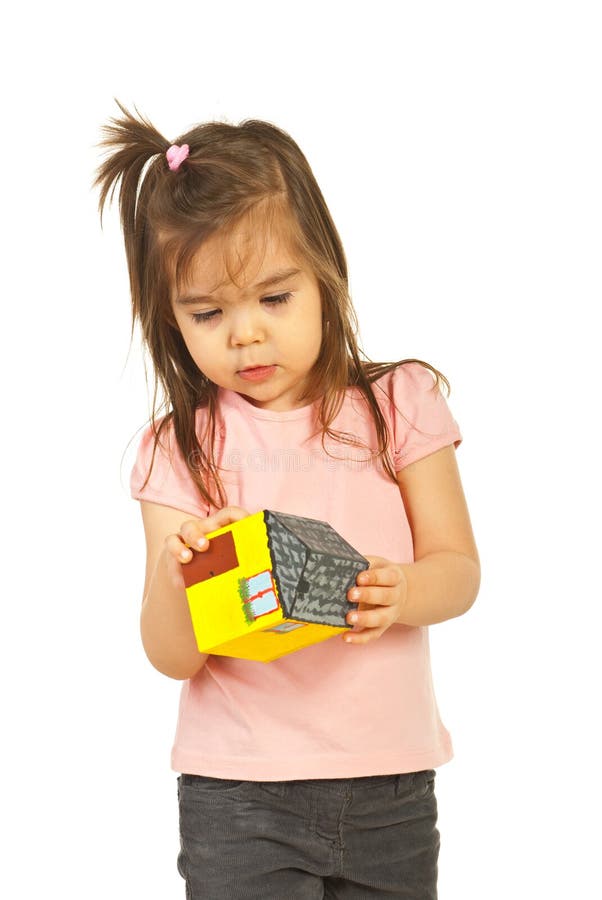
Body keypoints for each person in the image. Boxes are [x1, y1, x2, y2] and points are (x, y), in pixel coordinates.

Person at [95, 101, 481, 900]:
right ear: (171, 319)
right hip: (237, 796)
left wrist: (404, 590)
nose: (246, 335)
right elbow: (172, 657)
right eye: (209, 313)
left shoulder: (398, 404)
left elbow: (461, 570)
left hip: (392, 786)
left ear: (324, 274)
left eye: (275, 299)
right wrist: (181, 579)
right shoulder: (179, 448)